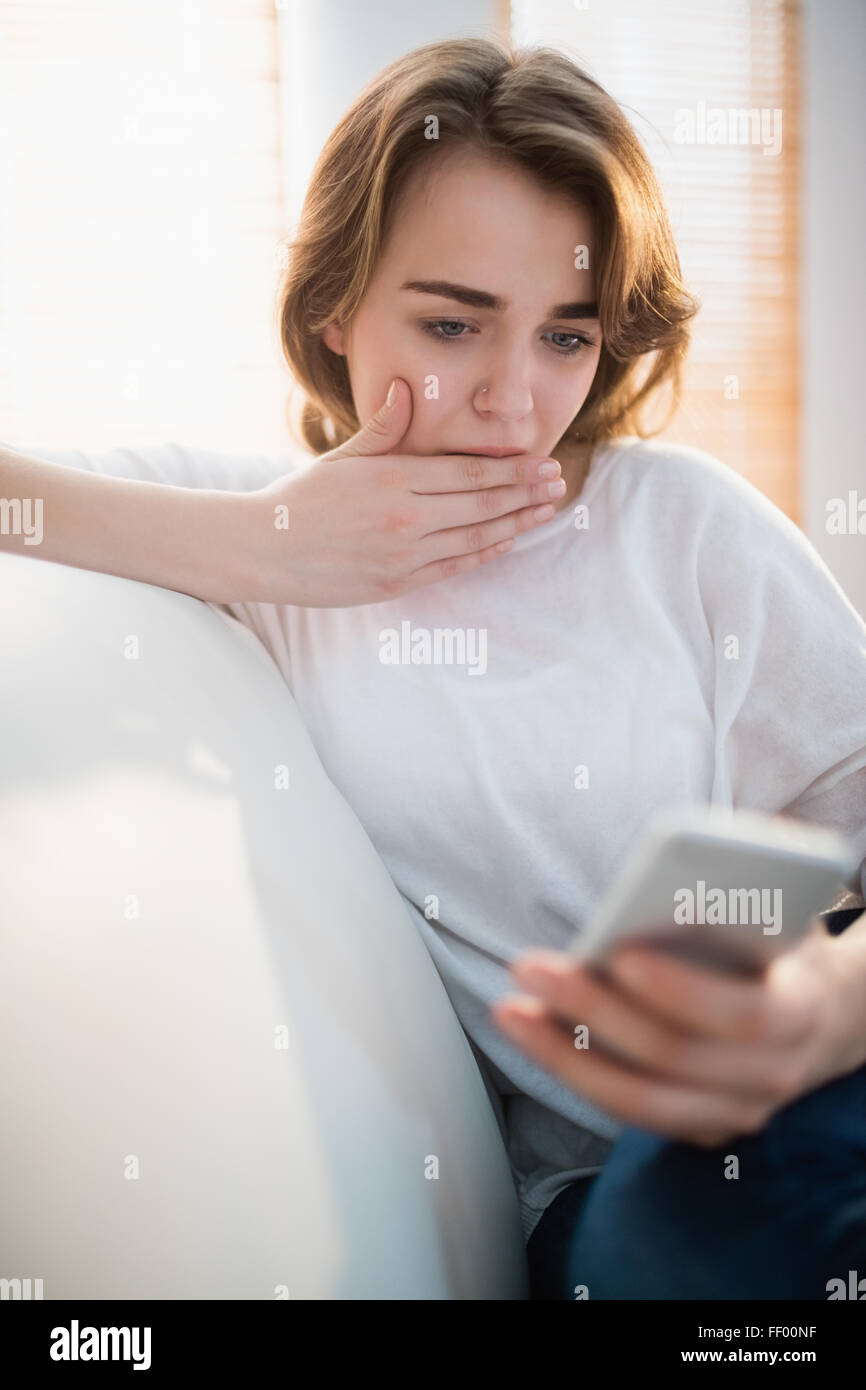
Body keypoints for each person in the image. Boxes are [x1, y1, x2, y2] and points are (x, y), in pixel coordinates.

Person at [2, 37, 865, 1300]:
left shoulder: (684, 528)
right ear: (336, 306)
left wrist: (824, 1003)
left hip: (828, 1070)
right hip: (625, 1185)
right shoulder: (269, 542)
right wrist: (266, 541)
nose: (513, 402)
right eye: (453, 323)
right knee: (660, 1262)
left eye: (565, 337)